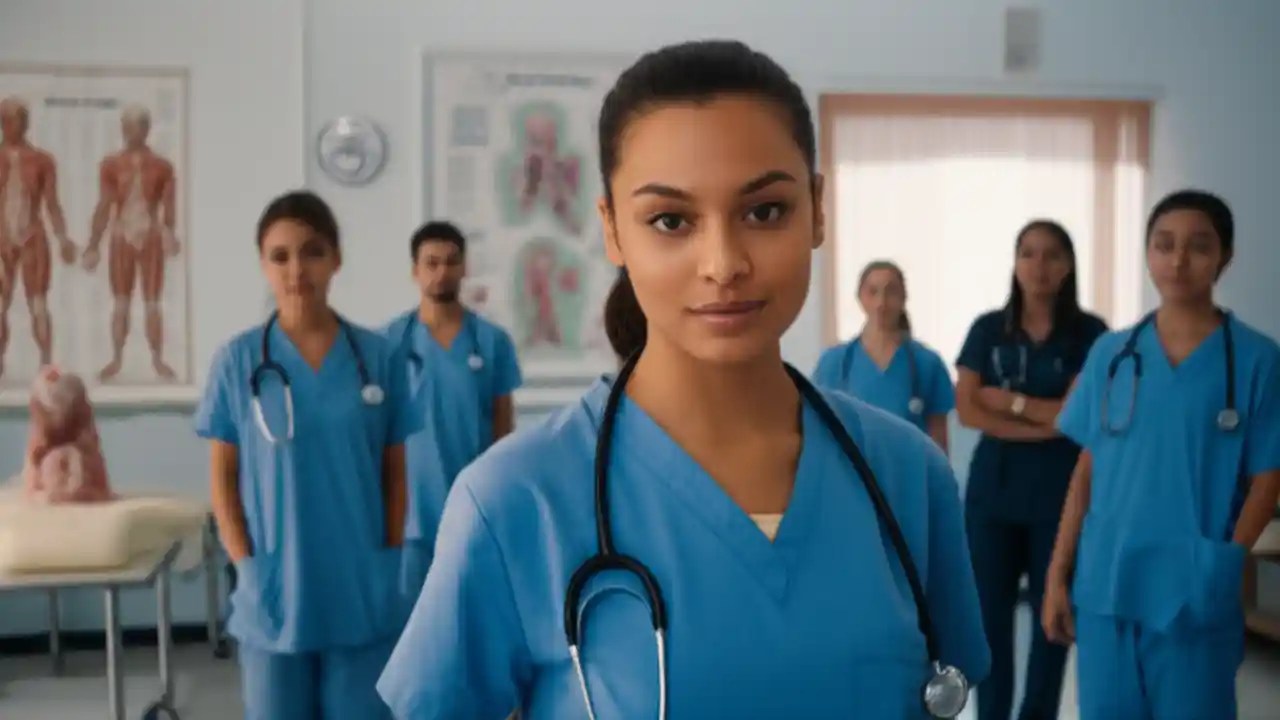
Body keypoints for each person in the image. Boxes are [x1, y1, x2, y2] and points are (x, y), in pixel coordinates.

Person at [378, 39, 990, 719]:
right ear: (612, 230)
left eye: (764, 212)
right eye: (671, 221)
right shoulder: (515, 502)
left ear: (817, 210)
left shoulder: (907, 475)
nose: (723, 262)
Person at [1043, 190, 1280, 719]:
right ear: (1148, 253)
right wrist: (1058, 572)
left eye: (1198, 246)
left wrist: (1227, 560)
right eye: (1163, 244)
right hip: (1107, 581)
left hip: (1194, 584)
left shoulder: (1258, 359)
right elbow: (1086, 468)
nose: (1178, 260)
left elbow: (1269, 479)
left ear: (1225, 257)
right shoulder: (1112, 352)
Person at [194, 190, 418, 719]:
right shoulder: (238, 361)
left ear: (336, 258)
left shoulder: (378, 357)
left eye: (313, 251)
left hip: (360, 585)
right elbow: (224, 484)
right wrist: (246, 566)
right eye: (280, 255)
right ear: (264, 265)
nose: (297, 269)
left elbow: (395, 474)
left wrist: (388, 563)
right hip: (275, 585)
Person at [954, 220, 1107, 720]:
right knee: (989, 623)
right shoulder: (987, 330)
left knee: (1053, 618)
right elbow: (971, 411)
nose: (1039, 266)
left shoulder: (1091, 336)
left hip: (1060, 502)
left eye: (1052, 255)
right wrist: (1050, 421)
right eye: (1028, 254)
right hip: (992, 499)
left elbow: (1083, 417)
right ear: (1015, 263)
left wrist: (1011, 403)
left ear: (1068, 266)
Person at [382, 220, 522, 602]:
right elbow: (375, 433)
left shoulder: (491, 342)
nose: (442, 272)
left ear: (464, 267)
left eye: (451, 261)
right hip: (409, 518)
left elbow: (502, 430)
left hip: (471, 509)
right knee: (408, 630)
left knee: (472, 617)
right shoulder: (388, 344)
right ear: (415, 270)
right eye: (431, 262)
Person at [83, 104, 181, 381]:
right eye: (127, 126)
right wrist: (93, 244)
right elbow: (104, 206)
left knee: (152, 302)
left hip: (150, 234)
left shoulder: (162, 166)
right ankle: (116, 358)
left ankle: (158, 359)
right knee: (121, 302)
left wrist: (170, 233)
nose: (131, 132)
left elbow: (169, 206)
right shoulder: (111, 164)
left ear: (147, 129)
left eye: (137, 125)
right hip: (121, 234)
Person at [813, 260, 954, 451]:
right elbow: (819, 431)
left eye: (891, 292)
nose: (881, 302)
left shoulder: (927, 363)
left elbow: (939, 443)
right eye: (873, 292)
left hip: (909, 474)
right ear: (860, 297)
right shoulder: (834, 363)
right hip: (851, 475)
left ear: (904, 297)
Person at [0, 96, 76, 377]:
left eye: (18, 119)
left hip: (33, 235)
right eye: (7, 120)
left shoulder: (42, 160)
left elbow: (52, 204)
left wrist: (63, 238)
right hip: (1, 236)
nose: (12, 125)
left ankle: (46, 362)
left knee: (38, 303)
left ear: (26, 123)